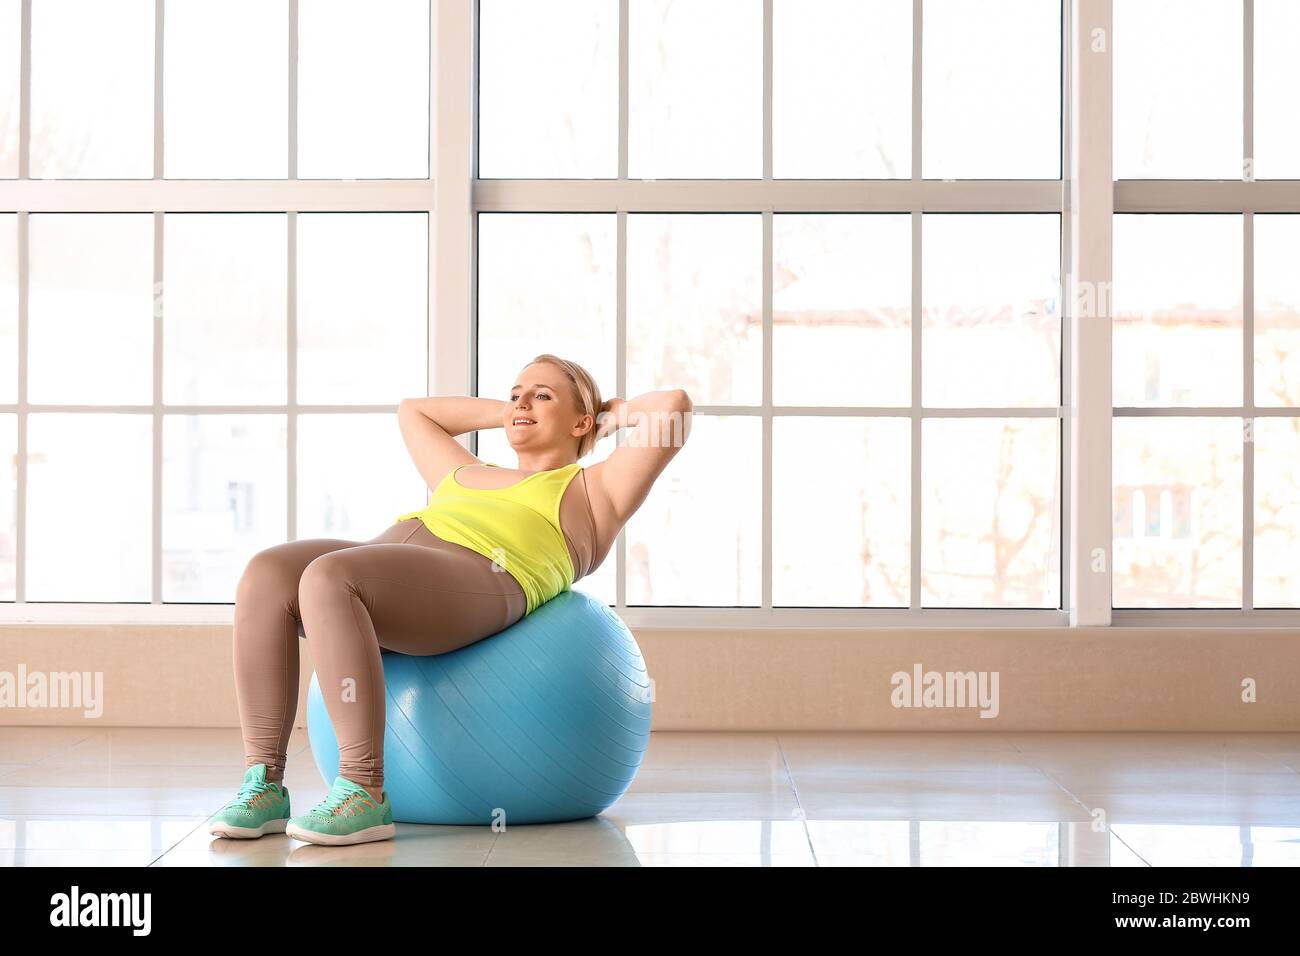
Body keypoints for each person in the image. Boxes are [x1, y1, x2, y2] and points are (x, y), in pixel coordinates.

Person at [208, 353, 692, 845]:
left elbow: (673, 407)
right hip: (384, 565)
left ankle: (362, 790)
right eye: (515, 393)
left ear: (582, 421)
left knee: (329, 577)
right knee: (265, 574)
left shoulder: (594, 489)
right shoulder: (465, 468)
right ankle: (264, 784)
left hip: (475, 580)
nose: (522, 401)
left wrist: (609, 418)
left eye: (542, 395)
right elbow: (414, 412)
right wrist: (510, 412)